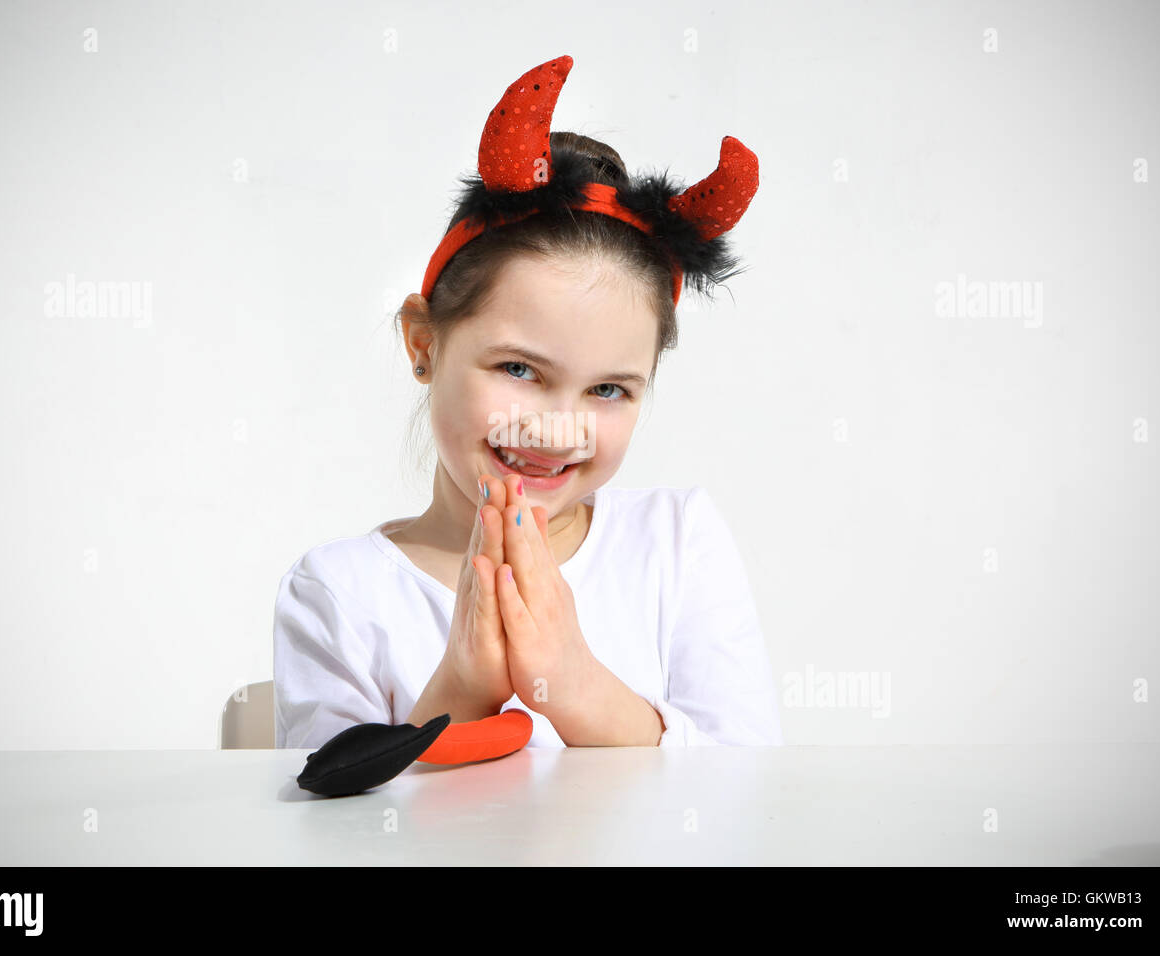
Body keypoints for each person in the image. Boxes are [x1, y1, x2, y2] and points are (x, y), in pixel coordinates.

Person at [273, 56, 782, 751]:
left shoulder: (678, 542)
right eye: (519, 368)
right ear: (423, 344)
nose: (556, 429)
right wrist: (461, 688)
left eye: (608, 389)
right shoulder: (337, 592)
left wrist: (575, 685)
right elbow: (329, 833)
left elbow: (748, 797)